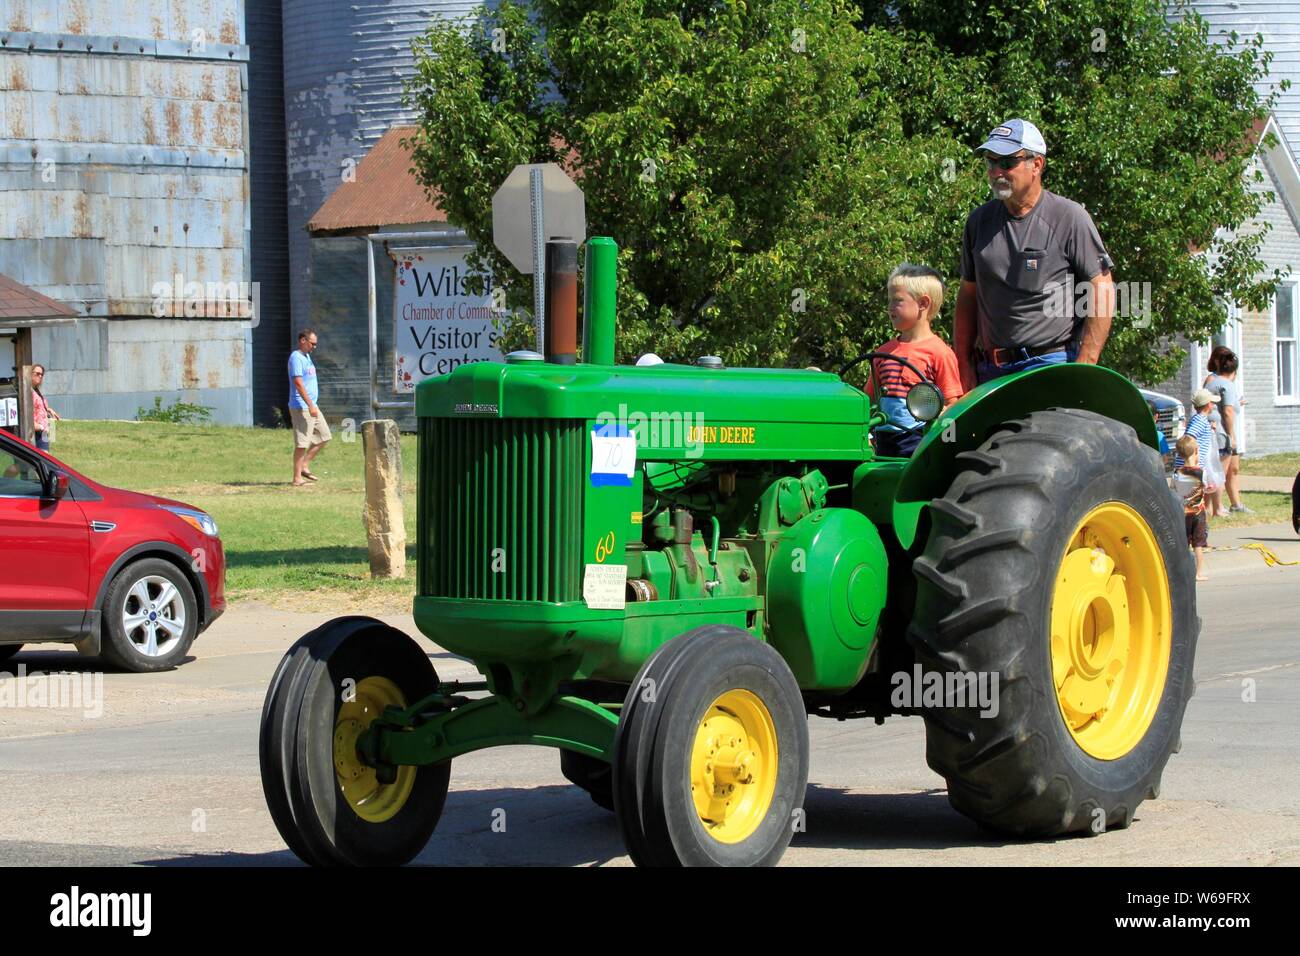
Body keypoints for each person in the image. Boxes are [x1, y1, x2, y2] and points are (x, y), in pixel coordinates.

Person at [954, 119, 1116, 388]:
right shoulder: (978, 222)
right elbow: (968, 296)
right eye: (990, 162)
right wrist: (963, 364)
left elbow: (1102, 289)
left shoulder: (1069, 217)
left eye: (1007, 163)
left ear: (1037, 165)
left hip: (1050, 366)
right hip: (991, 372)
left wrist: (1085, 366)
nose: (996, 172)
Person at [866, 264, 962, 457]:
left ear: (923, 304)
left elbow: (953, 404)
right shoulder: (883, 352)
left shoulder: (939, 353)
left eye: (897, 301)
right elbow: (868, 399)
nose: (890, 307)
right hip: (883, 439)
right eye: (889, 301)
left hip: (919, 441)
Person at [1203, 346, 1249, 514]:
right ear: (1234, 371)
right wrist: (1232, 436)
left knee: (1212, 471)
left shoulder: (1215, 383)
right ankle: (1218, 508)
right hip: (1221, 433)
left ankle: (1208, 508)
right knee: (1218, 472)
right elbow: (1228, 411)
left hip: (1211, 431)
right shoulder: (1225, 385)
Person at [288, 328, 330, 487]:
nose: (314, 347)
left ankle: (305, 465)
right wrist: (310, 405)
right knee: (302, 443)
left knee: (324, 436)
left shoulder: (307, 357)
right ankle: (297, 478)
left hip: (312, 406)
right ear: (302, 340)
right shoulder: (296, 358)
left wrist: (313, 405)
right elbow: (298, 383)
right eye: (312, 343)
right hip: (302, 406)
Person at [1173, 434, 1209, 582]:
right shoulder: (1201, 472)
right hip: (1198, 513)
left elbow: (1173, 490)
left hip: (1183, 513)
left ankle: (1182, 573)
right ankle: (1198, 573)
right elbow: (1205, 488)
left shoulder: (1177, 472)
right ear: (1196, 451)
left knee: (1184, 544)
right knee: (1198, 544)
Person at [30, 364, 60, 451]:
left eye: (42, 374)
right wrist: (41, 427)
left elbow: (38, 406)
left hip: (44, 431)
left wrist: (48, 410)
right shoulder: (27, 391)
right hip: (36, 431)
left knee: (46, 457)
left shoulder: (36, 390)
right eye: (37, 373)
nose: (40, 376)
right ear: (30, 373)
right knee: (42, 459)